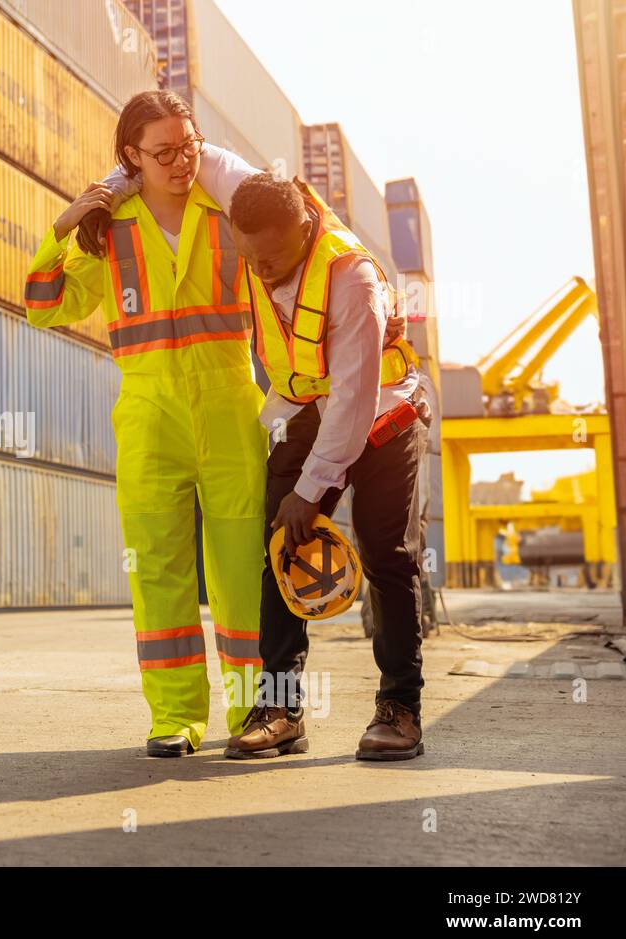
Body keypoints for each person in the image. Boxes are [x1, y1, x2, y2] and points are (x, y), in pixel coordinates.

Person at [107, 149, 427, 761]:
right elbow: (195, 155)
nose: (260, 270)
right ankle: (280, 708)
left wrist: (312, 490)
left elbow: (355, 401)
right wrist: (109, 187)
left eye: (272, 260)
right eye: (248, 258)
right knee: (277, 544)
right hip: (307, 404)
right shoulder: (252, 208)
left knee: (388, 555)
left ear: (305, 230)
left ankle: (399, 708)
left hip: (385, 410)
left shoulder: (351, 280)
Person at [23, 91, 267, 757]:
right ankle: (176, 717)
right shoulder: (111, 228)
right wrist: (65, 222)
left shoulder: (228, 212)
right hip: (149, 415)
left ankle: (256, 715)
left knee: (244, 569)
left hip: (229, 410)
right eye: (164, 153)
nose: (182, 162)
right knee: (158, 569)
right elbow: (43, 305)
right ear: (131, 156)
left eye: (189, 147)